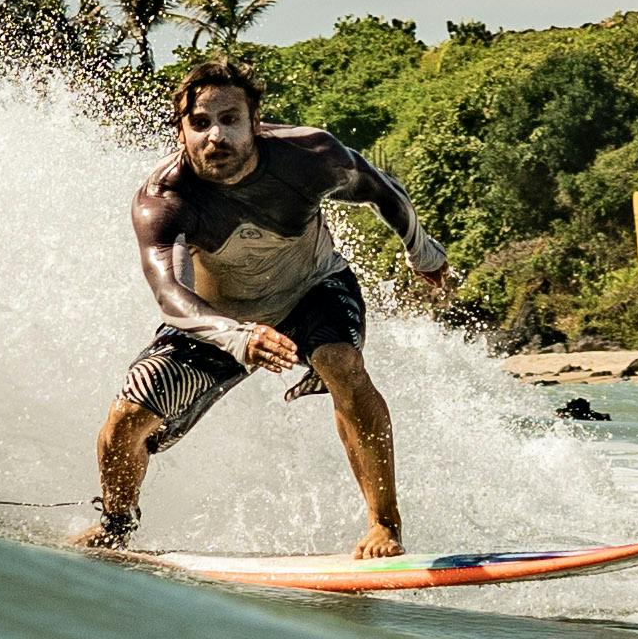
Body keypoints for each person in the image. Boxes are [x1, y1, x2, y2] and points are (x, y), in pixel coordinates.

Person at [90, 57, 451, 556]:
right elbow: (169, 293)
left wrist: (423, 251)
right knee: (125, 422)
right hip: (220, 320)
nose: (216, 136)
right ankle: (116, 526)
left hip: (313, 290)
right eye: (200, 123)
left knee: (341, 363)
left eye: (230, 120)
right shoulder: (165, 198)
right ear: (181, 131)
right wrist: (238, 336)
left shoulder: (311, 156)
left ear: (255, 122)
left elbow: (382, 189)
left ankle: (384, 525)